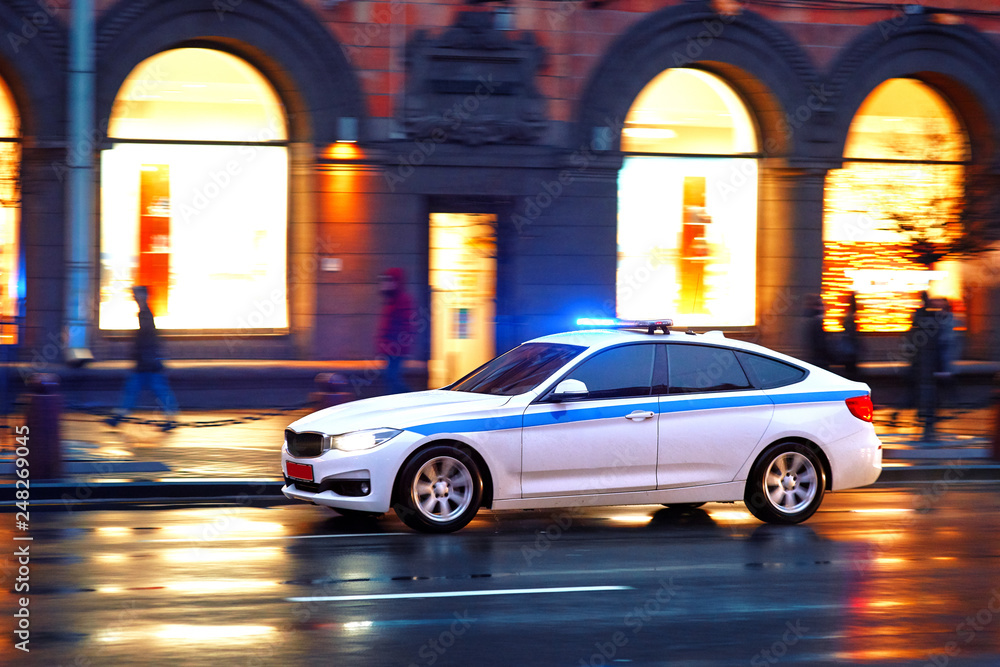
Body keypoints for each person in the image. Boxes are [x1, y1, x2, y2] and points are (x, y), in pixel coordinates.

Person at [107, 285, 179, 431]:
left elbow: (148, 338)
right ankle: (119, 416)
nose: (135, 297)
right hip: (146, 361)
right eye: (134, 295)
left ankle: (171, 418)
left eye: (137, 295)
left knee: (150, 390)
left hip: (147, 362)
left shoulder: (145, 314)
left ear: (145, 296)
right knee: (138, 389)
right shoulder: (144, 313)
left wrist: (144, 356)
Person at [906, 291, 942, 440]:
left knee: (922, 390)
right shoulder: (933, 317)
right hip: (928, 361)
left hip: (921, 361)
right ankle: (928, 417)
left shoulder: (918, 317)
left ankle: (924, 416)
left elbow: (911, 340)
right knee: (928, 390)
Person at [375, 268, 416, 394]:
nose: (384, 283)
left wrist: (395, 345)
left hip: (395, 349)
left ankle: (411, 399)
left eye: (388, 281)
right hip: (391, 348)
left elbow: (406, 325)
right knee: (391, 378)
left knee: (392, 378)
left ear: (396, 282)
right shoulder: (391, 300)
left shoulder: (402, 300)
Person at [803, 294, 831, 370]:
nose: (823, 308)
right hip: (819, 357)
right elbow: (820, 341)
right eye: (820, 305)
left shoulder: (811, 320)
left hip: (817, 356)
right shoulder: (817, 321)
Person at [840, 292, 862, 380]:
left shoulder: (847, 315)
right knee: (852, 370)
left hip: (848, 348)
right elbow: (852, 334)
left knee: (850, 369)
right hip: (851, 349)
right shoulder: (852, 317)